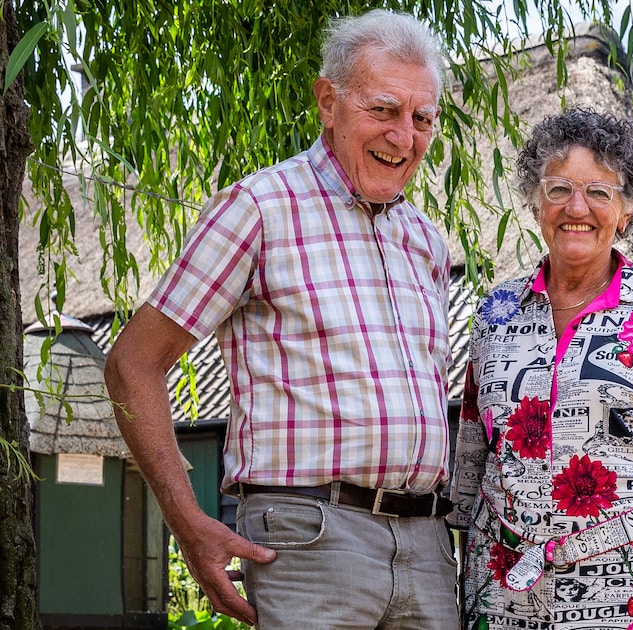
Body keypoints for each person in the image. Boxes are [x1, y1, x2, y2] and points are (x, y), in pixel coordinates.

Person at [104, 10, 458, 629]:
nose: (404, 136)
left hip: (428, 544)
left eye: (421, 117)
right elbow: (133, 363)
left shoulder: (426, 240)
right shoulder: (259, 208)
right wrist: (189, 524)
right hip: (308, 536)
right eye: (383, 110)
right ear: (328, 101)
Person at [449, 106, 633, 630]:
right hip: (499, 590)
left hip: (630, 593)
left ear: (625, 212)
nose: (576, 207)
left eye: (599, 192)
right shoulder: (494, 313)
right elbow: (472, 462)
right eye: (559, 188)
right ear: (536, 202)